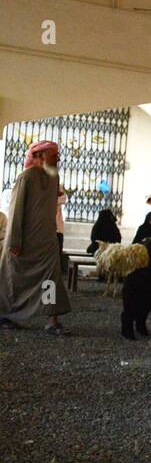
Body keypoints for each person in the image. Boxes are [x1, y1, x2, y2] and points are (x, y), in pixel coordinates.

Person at [0, 140, 72, 335]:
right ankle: (6, 314)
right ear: (40, 157)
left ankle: (51, 319)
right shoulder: (26, 177)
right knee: (12, 278)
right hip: (23, 240)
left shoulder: (54, 177)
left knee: (51, 279)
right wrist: (14, 240)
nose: (57, 159)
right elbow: (16, 211)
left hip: (46, 240)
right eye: (53, 156)